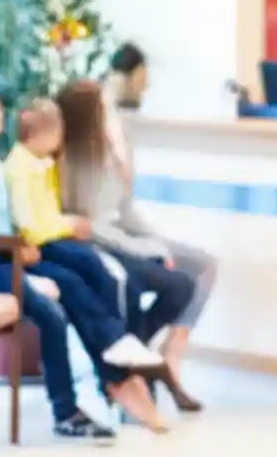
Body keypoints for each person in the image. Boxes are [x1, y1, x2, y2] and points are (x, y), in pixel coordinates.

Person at [0, 83, 173, 435]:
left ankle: (115, 367)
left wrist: (19, 245)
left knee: (74, 281)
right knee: (50, 314)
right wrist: (17, 246)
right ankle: (70, 408)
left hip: (5, 256)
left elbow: (5, 217)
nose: (1, 113)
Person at [58, 79, 209, 413]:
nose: (111, 116)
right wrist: (144, 251)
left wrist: (155, 245)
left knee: (181, 285)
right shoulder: (69, 161)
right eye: (103, 108)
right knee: (135, 284)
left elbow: (124, 212)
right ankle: (132, 371)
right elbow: (92, 226)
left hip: (121, 241)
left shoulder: (109, 154)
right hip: (95, 247)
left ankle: (137, 357)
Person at [5, 99, 124, 319]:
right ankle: (112, 338)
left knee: (97, 268)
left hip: (52, 236)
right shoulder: (21, 169)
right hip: (41, 243)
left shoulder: (40, 163)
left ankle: (114, 337)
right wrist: (69, 225)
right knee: (88, 266)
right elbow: (30, 226)